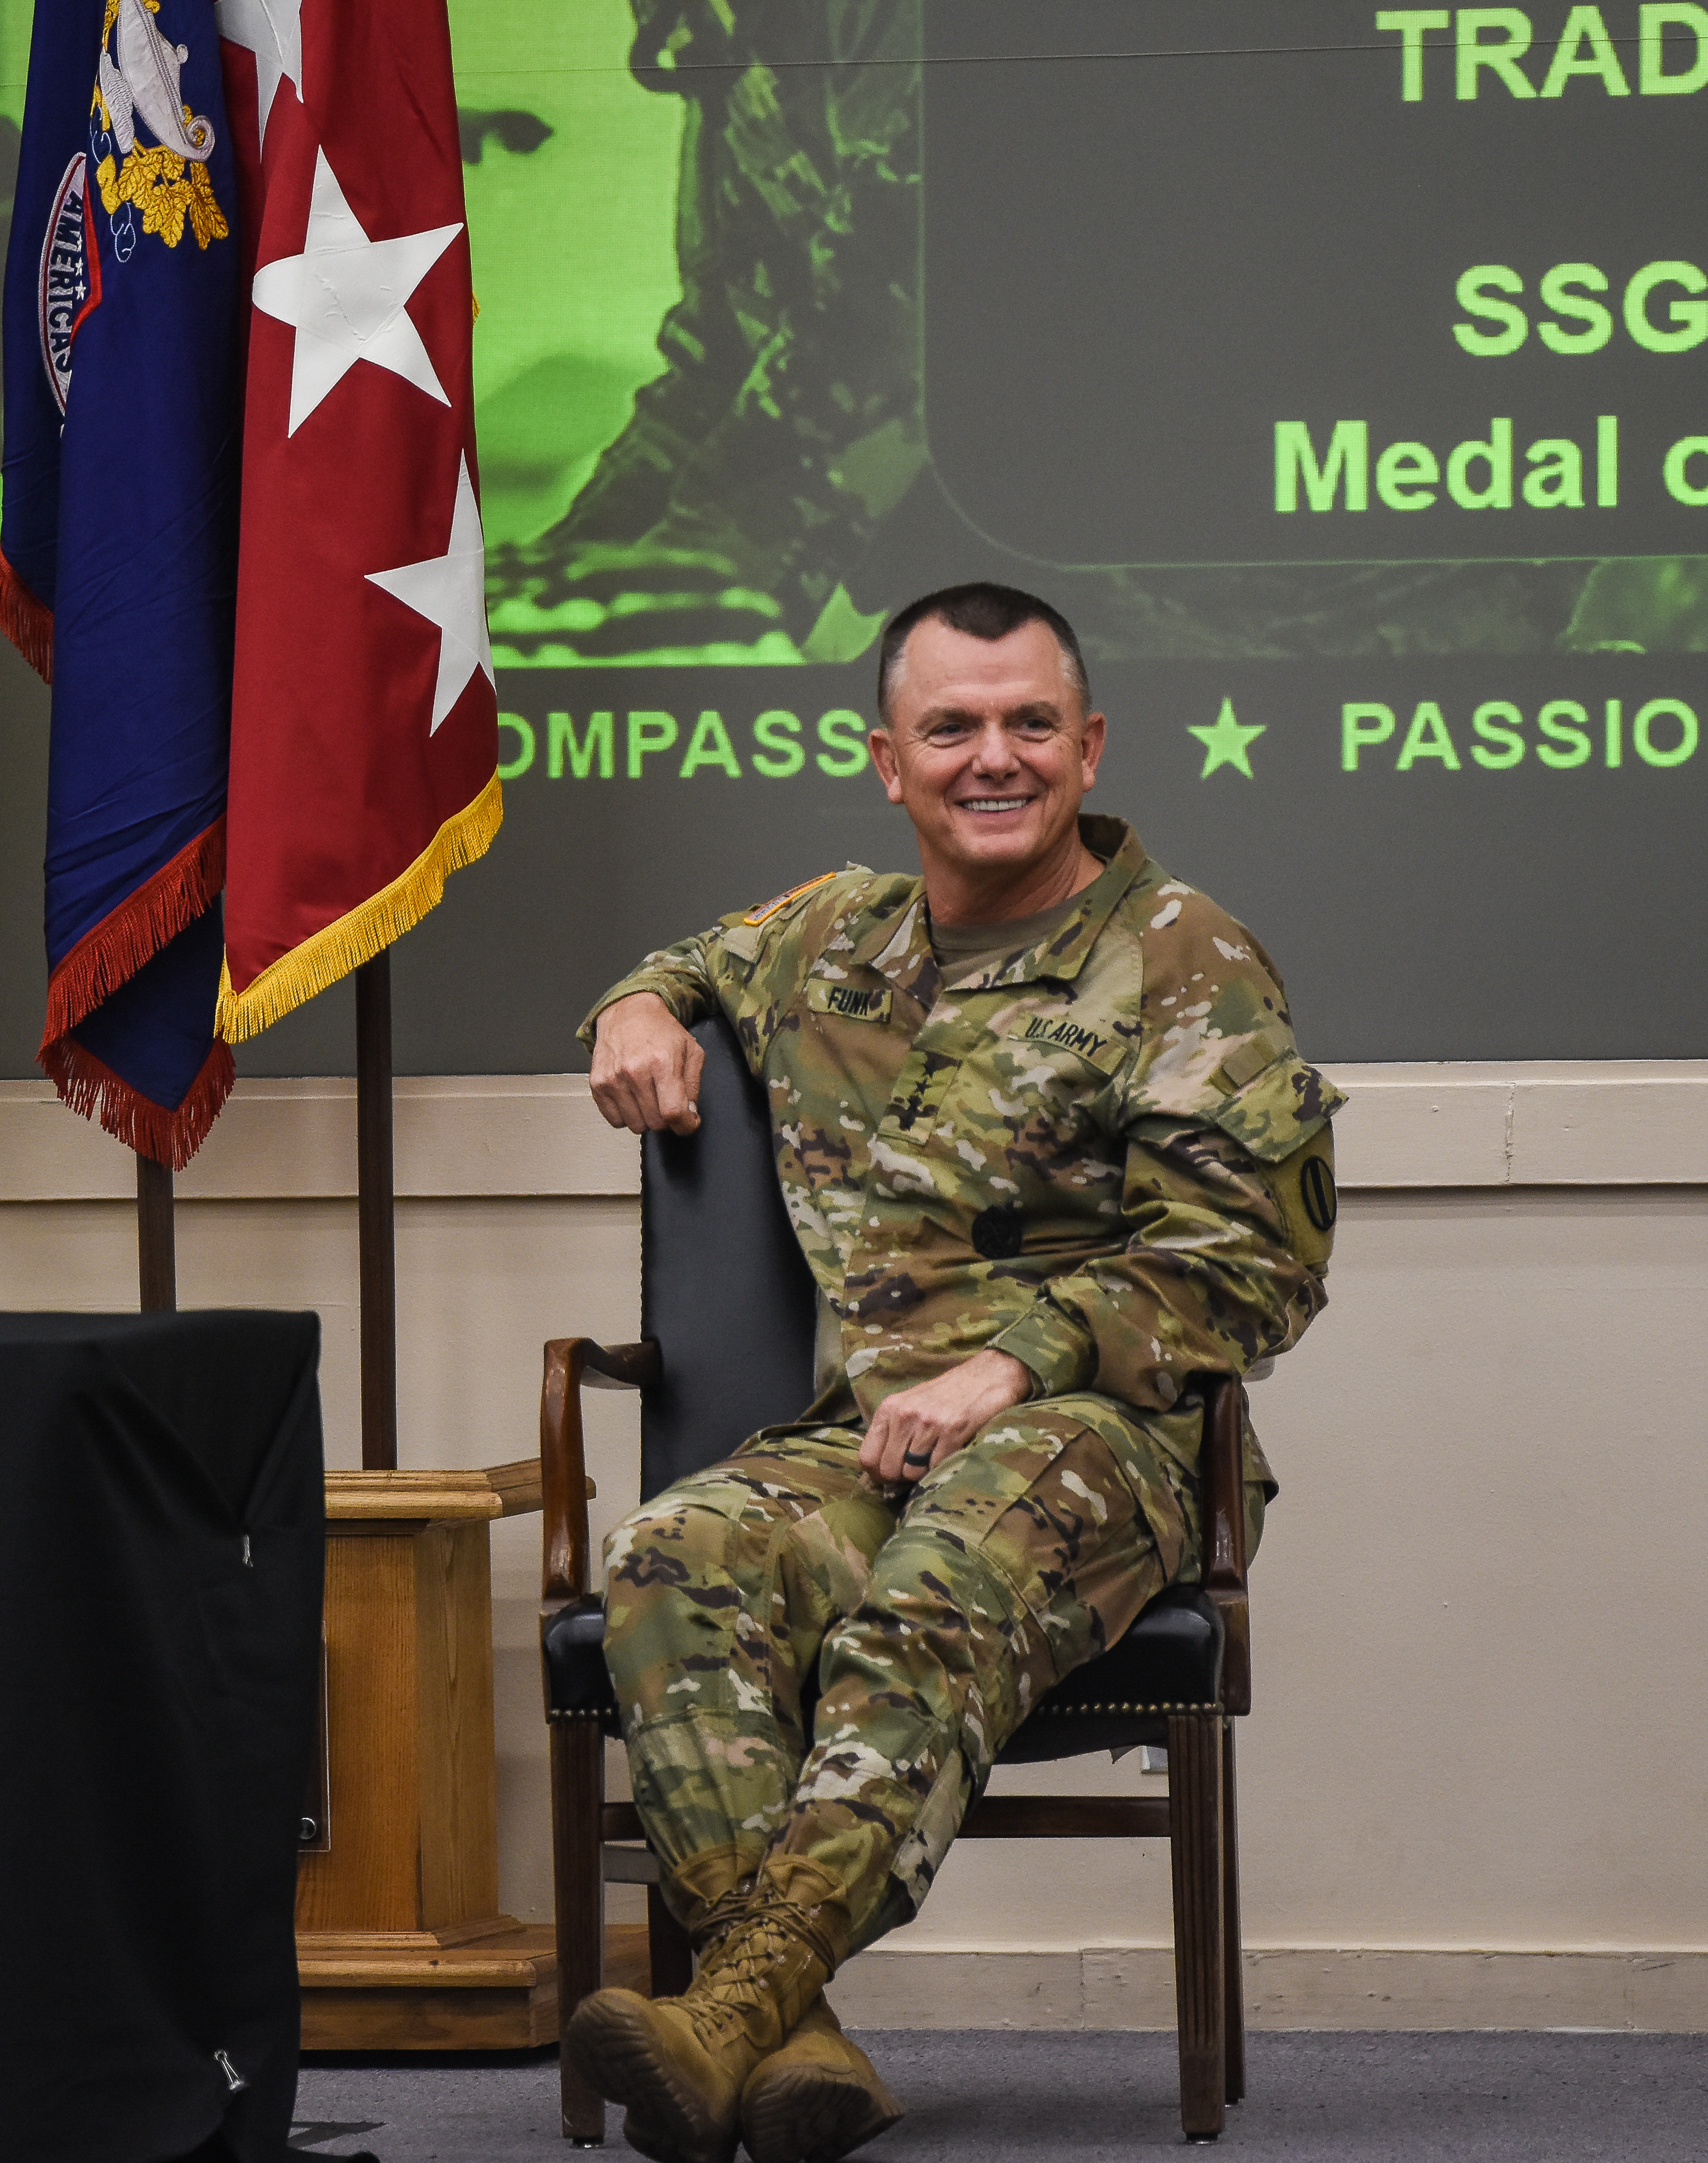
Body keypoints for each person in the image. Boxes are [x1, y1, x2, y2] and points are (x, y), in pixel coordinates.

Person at [565, 583, 1340, 2163]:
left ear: (1088, 745)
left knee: (947, 1564)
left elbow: (1252, 1264)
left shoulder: (1184, 955)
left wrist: (1011, 1364)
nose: (995, 757)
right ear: (888, 761)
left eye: (1030, 723)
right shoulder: (830, 935)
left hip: (1107, 1441)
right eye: (952, 727)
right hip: (869, 1438)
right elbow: (688, 962)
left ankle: (732, 1999)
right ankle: (792, 2048)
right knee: (668, 1554)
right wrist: (637, 1006)